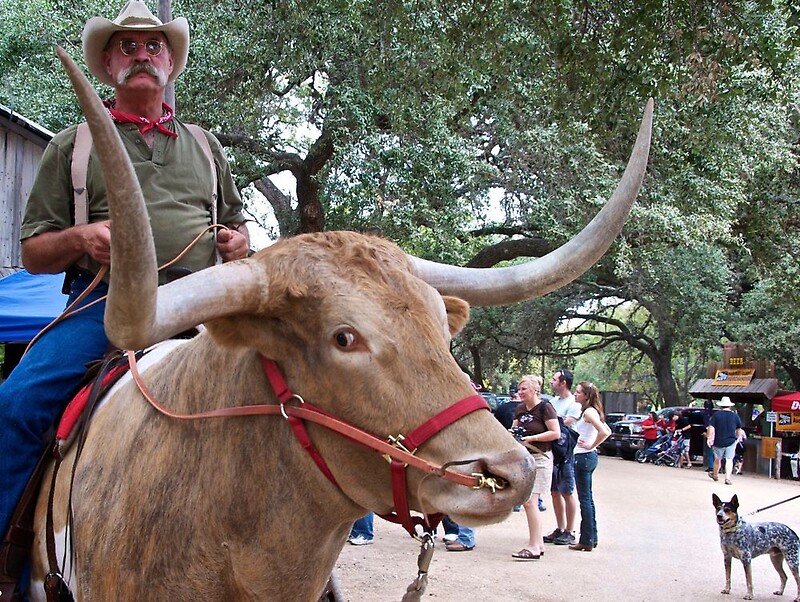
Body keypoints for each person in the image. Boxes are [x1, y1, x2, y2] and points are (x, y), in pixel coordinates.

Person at [0, 1, 250, 588]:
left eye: (153, 46)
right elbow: (34, 252)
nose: (142, 55)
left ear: (171, 63)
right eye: (128, 47)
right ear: (110, 65)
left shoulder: (205, 146)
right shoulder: (74, 145)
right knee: (15, 404)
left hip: (200, 306)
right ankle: (6, 561)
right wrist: (80, 237)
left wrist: (239, 244)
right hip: (103, 305)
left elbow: (238, 229)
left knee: (293, 390)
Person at [510, 374, 560, 560]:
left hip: (541, 458)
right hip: (524, 459)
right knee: (528, 502)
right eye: (519, 389)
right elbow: (513, 429)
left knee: (530, 502)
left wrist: (532, 438)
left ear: (535, 390)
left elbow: (555, 433)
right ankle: (538, 544)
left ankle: (533, 547)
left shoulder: (545, 408)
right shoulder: (520, 409)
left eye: (524, 389)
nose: (520, 392)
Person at [569, 381, 610, 552]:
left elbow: (605, 432)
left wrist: (591, 445)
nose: (575, 394)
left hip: (583, 457)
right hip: (586, 456)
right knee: (587, 499)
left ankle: (586, 539)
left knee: (585, 499)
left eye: (578, 392)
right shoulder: (592, 411)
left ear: (586, 395)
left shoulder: (589, 412)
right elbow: (606, 429)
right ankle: (591, 536)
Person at [543, 368, 582, 546]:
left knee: (567, 492)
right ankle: (560, 528)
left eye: (554, 379)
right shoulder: (552, 402)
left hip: (566, 453)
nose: (551, 382)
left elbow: (564, 424)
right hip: (553, 452)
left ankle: (570, 530)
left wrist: (550, 423)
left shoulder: (574, 404)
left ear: (563, 383)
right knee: (554, 492)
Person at [706, 397, 744, 485]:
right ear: (730, 406)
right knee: (729, 459)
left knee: (717, 459)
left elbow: (711, 428)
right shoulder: (735, 416)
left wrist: (709, 438)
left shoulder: (716, 415)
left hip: (718, 441)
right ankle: (727, 478)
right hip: (731, 441)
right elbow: (739, 429)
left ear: (721, 406)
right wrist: (737, 438)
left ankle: (715, 474)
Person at [701, 399, 715, 472]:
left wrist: (707, 435)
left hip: (711, 437)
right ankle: (716, 467)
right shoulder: (713, 414)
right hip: (717, 438)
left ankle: (711, 466)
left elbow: (708, 428)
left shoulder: (706, 415)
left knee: (710, 452)